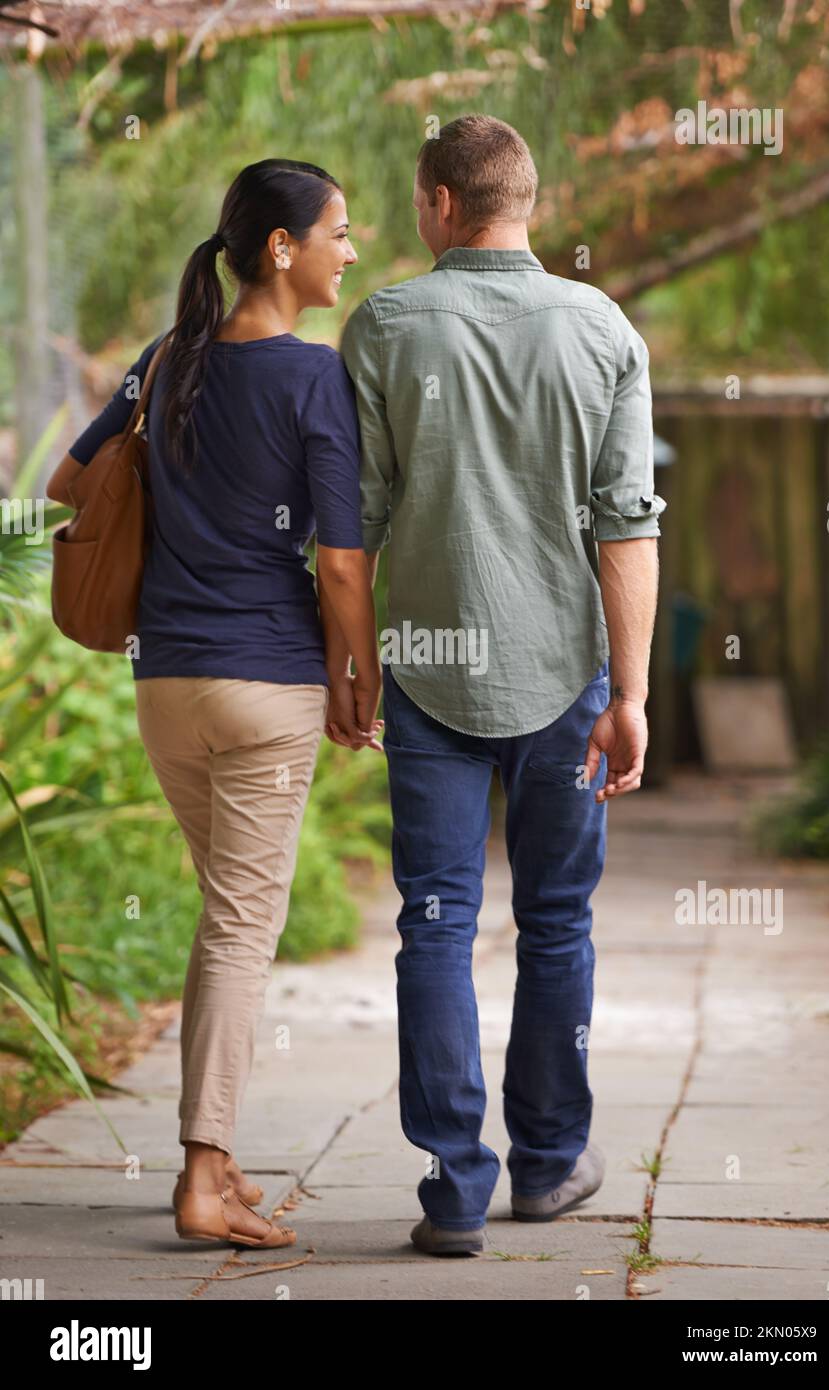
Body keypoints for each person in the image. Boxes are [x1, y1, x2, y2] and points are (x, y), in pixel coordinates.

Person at [339, 115, 666, 1256]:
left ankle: (453, 1193)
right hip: (566, 674)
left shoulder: (382, 325)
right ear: (528, 200)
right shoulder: (601, 327)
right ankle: (546, 1163)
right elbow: (628, 529)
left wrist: (354, 661)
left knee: (433, 924)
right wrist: (629, 695)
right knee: (557, 924)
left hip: (425, 674)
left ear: (437, 201)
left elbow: (355, 525)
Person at [47, 158, 382, 1249]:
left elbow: (68, 480)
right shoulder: (312, 376)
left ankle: (218, 1159)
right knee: (243, 930)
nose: (353, 244)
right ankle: (200, 1178)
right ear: (280, 248)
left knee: (221, 921)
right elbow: (339, 562)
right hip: (265, 685)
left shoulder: (167, 360)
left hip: (166, 684)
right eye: (337, 229)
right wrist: (358, 674)